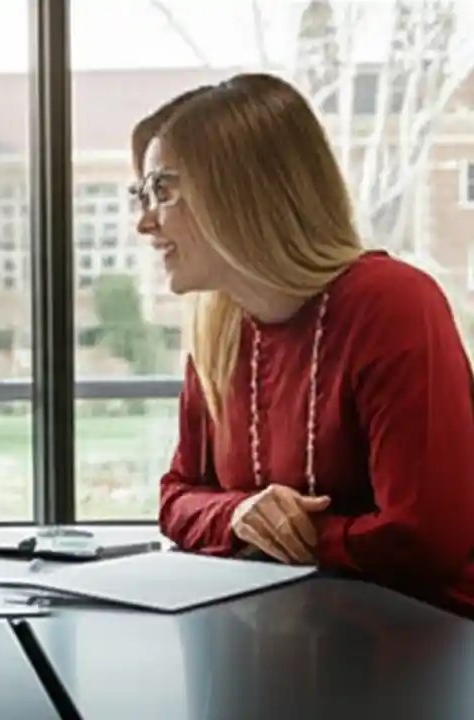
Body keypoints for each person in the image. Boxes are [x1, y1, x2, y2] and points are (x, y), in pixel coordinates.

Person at [134, 73, 474, 616]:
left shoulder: (393, 303)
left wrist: (297, 533)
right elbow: (177, 496)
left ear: (242, 191)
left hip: (429, 648)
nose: (144, 222)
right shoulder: (219, 326)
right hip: (294, 638)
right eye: (142, 194)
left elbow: (427, 536)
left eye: (163, 191)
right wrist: (240, 515)